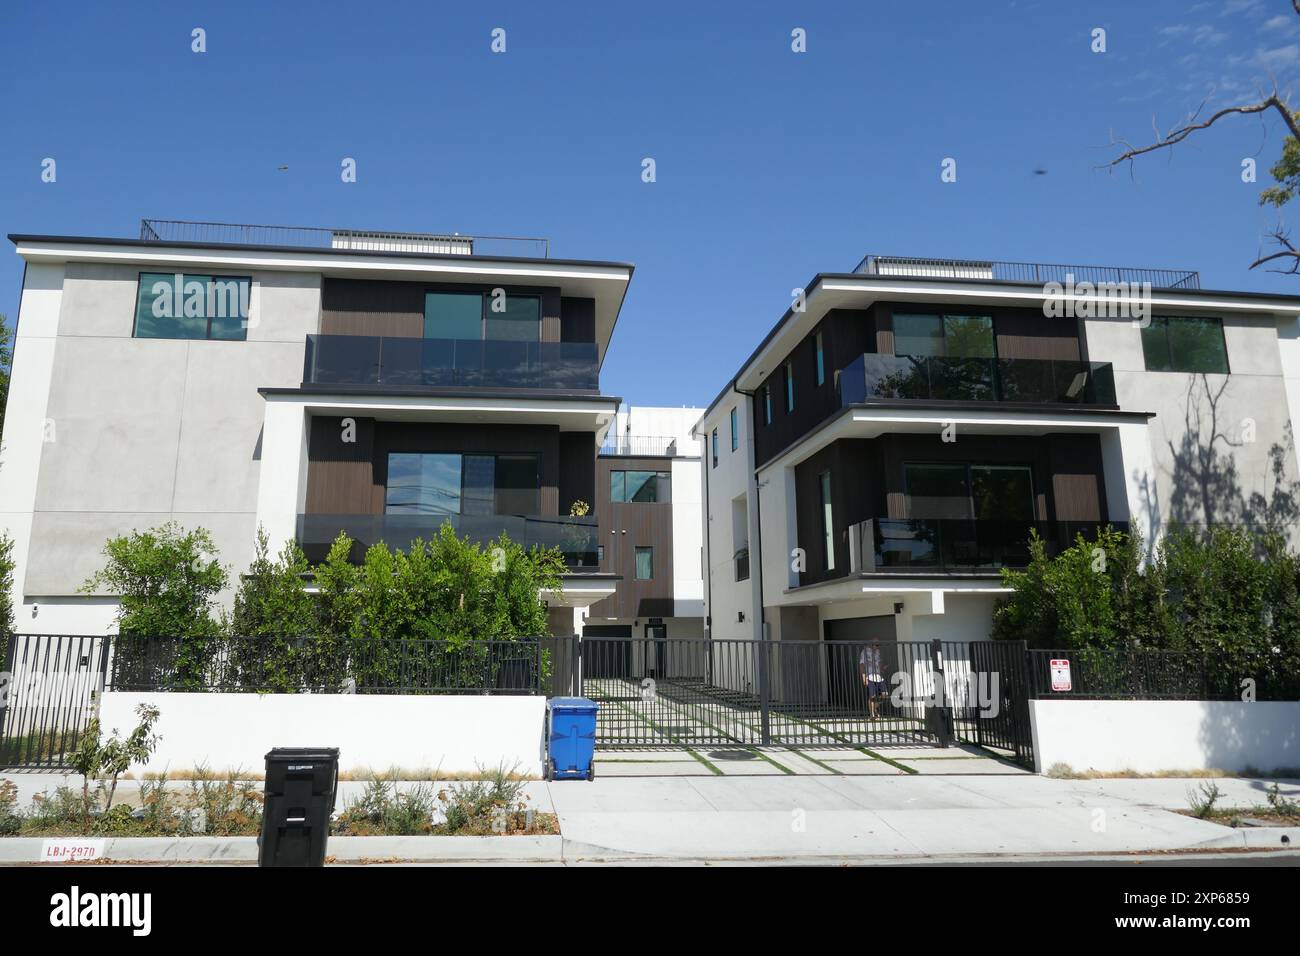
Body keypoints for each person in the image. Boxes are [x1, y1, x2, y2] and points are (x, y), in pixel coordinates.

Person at [859, 642, 886, 718]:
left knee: (884, 695)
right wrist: (864, 677)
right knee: (872, 696)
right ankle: (872, 714)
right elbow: (861, 665)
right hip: (870, 677)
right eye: (876, 645)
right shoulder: (865, 652)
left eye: (878, 645)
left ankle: (873, 708)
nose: (878, 646)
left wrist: (883, 668)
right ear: (872, 644)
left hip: (879, 677)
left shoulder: (878, 652)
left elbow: (879, 665)